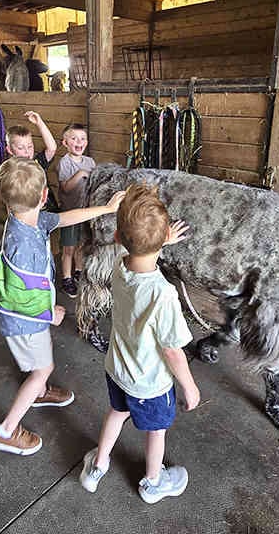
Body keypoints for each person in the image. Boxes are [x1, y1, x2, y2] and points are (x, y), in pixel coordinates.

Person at [0, 157, 125, 456]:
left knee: (42, 363)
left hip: (29, 318)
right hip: (24, 320)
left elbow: (66, 218)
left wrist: (107, 208)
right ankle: (7, 430)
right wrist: (49, 313)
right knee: (43, 368)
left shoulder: (27, 219)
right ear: (44, 196)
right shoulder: (22, 246)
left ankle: (40, 392)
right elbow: (16, 296)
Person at [79, 183, 198, 504]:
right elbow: (173, 350)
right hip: (150, 383)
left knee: (116, 413)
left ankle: (97, 467)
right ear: (162, 241)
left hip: (116, 368)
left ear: (118, 239)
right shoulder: (163, 294)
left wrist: (159, 240)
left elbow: (135, 249)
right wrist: (189, 386)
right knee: (156, 432)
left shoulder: (120, 266)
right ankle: (153, 483)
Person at [56, 123, 95, 298]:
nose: (79, 142)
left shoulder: (90, 162)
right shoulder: (64, 163)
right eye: (74, 138)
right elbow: (65, 188)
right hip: (70, 214)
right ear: (65, 143)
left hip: (85, 211)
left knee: (81, 245)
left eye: (82, 138)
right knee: (68, 248)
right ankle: (67, 278)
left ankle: (78, 271)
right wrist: (79, 174)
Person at [5, 110, 58, 211]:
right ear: (9, 150)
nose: (27, 151)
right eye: (20, 148)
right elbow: (8, 201)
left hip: (49, 211)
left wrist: (39, 123)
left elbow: (52, 148)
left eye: (30, 146)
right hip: (26, 216)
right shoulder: (9, 171)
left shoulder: (37, 162)